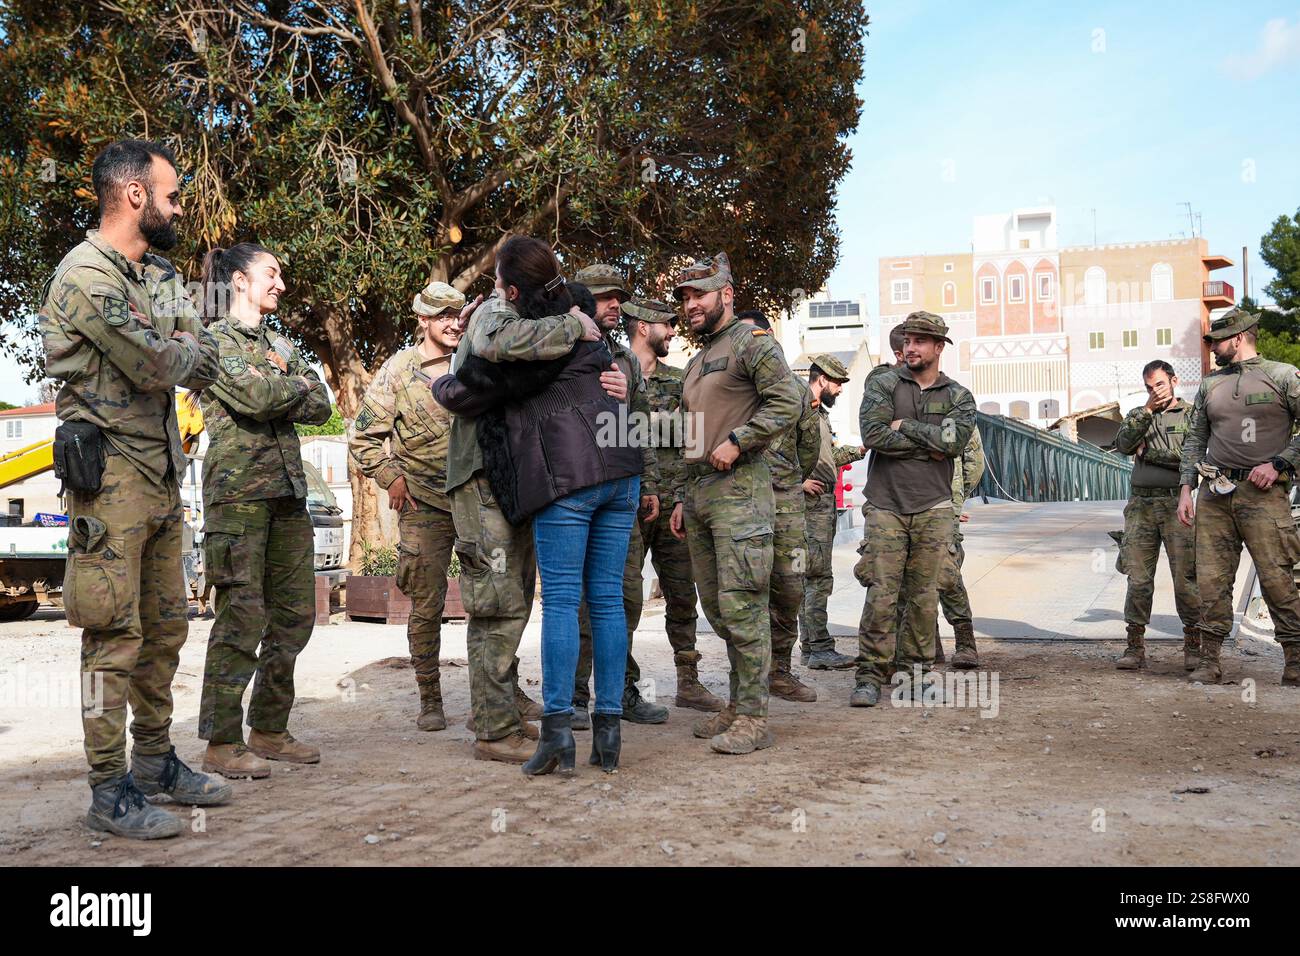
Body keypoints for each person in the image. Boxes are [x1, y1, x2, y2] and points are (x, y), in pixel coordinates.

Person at [40, 138, 228, 839]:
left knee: (166, 631)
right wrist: (178, 347)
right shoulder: (85, 275)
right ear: (134, 195)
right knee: (111, 639)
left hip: (158, 477)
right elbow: (158, 362)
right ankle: (106, 787)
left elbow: (198, 351)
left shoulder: (156, 272)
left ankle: (153, 763)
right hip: (109, 480)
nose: (179, 207)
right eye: (173, 195)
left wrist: (180, 346)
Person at [433, 242, 643, 774]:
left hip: (563, 478)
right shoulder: (570, 326)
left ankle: (551, 734)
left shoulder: (529, 332)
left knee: (552, 602)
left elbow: (465, 390)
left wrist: (440, 382)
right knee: (587, 603)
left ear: (509, 290)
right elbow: (621, 370)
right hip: (600, 474)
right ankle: (595, 736)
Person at [195, 243, 332, 778]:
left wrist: (289, 383)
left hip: (287, 495)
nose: (280, 283)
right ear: (238, 280)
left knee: (295, 615)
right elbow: (253, 399)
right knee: (241, 617)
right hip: (238, 498)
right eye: (271, 273)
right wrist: (293, 383)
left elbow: (322, 406)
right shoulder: (212, 342)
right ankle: (221, 741)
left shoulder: (280, 343)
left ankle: (270, 729)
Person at [668, 252, 802, 754]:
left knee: (744, 604)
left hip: (741, 488)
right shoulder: (699, 360)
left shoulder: (753, 343)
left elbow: (788, 401)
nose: (690, 304)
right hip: (701, 492)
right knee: (719, 608)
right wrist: (683, 494)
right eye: (683, 297)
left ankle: (753, 716)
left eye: (698, 294)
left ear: (725, 294)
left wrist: (741, 439)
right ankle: (738, 701)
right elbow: (691, 430)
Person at [350, 281, 466, 731]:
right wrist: (391, 477)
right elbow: (363, 437)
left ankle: (501, 691)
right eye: (442, 316)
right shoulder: (399, 370)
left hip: (476, 501)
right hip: (425, 505)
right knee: (426, 603)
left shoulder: (473, 363)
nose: (453, 323)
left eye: (458, 314)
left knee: (494, 598)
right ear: (423, 320)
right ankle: (430, 696)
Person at [851, 311, 976, 707]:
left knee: (924, 596)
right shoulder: (884, 383)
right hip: (886, 504)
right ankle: (870, 674)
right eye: (907, 339)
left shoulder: (958, 396)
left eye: (921, 340)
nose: (911, 347)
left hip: (934, 507)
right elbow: (872, 434)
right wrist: (931, 442)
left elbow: (954, 445)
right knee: (881, 594)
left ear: (939, 347)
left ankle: (915, 675)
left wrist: (904, 426)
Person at [1178, 307, 1300, 686]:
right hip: (1214, 492)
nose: (1213, 347)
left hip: (1264, 494)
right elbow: (1195, 438)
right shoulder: (1209, 385)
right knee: (1211, 579)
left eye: (1218, 341)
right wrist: (1185, 488)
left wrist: (1280, 464)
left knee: (1276, 576)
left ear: (1239, 337)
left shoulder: (1283, 375)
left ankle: (1295, 658)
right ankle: (1209, 659)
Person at [569, 263, 667, 726]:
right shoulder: (554, 344)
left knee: (623, 600)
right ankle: (570, 699)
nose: (616, 306)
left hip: (617, 495)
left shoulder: (624, 359)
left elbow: (638, 425)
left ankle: (621, 693)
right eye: (606, 297)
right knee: (574, 604)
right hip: (570, 491)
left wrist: (645, 483)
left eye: (618, 298)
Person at [618, 296, 724, 713]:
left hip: (672, 508)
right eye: (668, 325)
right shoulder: (612, 374)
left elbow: (691, 443)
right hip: (626, 507)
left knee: (683, 596)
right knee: (624, 600)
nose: (674, 332)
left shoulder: (680, 383)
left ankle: (689, 682)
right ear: (645, 327)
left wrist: (681, 497)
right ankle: (625, 687)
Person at [739, 315, 821, 703]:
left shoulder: (795, 389)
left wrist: (789, 479)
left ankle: (781, 671)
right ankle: (749, 676)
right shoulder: (734, 384)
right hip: (741, 495)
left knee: (790, 584)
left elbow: (809, 444)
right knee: (745, 586)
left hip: (786, 497)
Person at [1112, 359, 1200, 671]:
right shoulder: (1139, 415)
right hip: (1141, 505)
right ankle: (1134, 647)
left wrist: (1149, 454)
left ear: (1174, 381)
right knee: (1138, 578)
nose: (1155, 391)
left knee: (1186, 578)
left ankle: (1193, 646)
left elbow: (1191, 459)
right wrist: (1146, 411)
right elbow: (1122, 445)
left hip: (1176, 502)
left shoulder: (1191, 414)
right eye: (1149, 387)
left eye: (1160, 385)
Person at [798, 354, 864, 670]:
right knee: (817, 577)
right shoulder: (797, 408)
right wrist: (799, 482)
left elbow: (826, 457)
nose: (839, 390)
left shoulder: (817, 414)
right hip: (808, 509)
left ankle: (811, 647)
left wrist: (859, 450)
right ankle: (819, 647)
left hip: (821, 507)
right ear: (822, 379)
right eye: (837, 383)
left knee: (808, 578)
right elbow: (770, 451)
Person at [935, 427, 985, 668]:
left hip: (937, 504)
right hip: (937, 501)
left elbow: (974, 463)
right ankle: (945, 644)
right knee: (944, 573)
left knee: (945, 572)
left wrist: (955, 501)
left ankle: (962, 643)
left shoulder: (897, 402)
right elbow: (974, 463)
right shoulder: (952, 403)